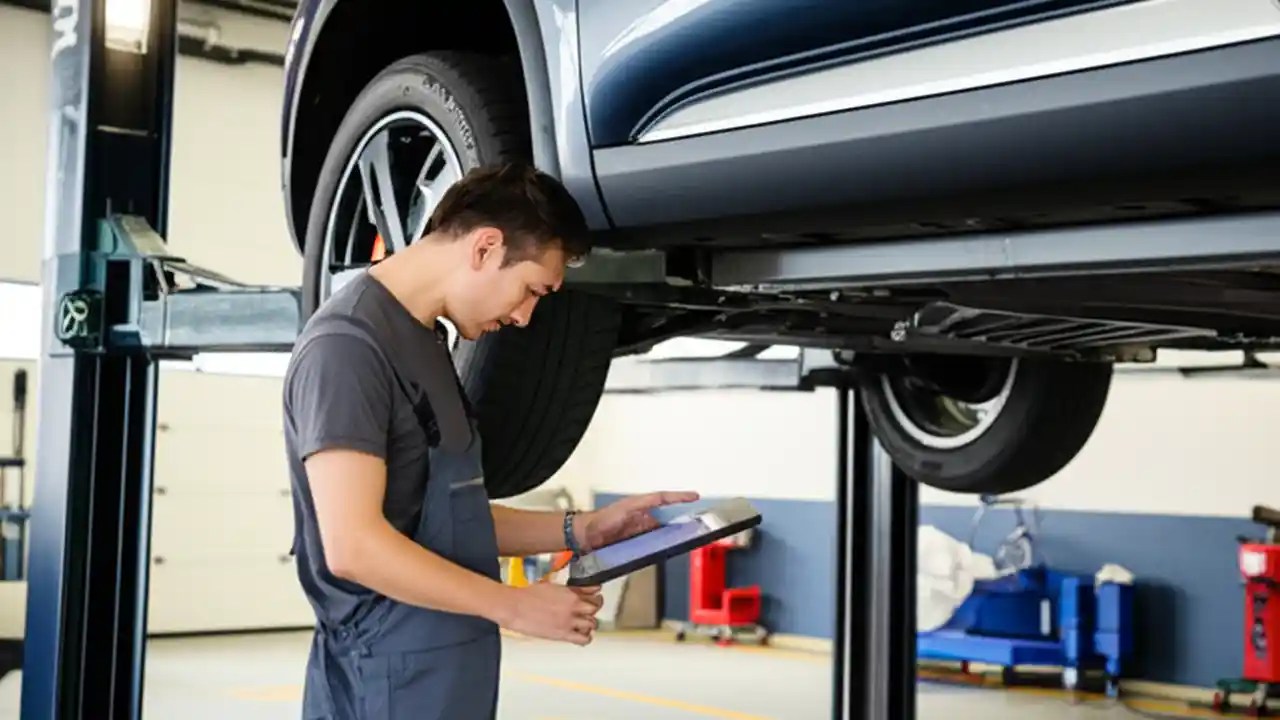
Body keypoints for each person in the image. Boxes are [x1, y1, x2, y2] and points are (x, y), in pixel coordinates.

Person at [282, 162, 698, 719]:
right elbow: (354, 546)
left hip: (445, 667)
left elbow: (450, 518)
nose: (526, 317)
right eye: (532, 290)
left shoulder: (426, 340)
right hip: (382, 676)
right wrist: (515, 607)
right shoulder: (348, 350)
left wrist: (583, 529)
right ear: (485, 248)